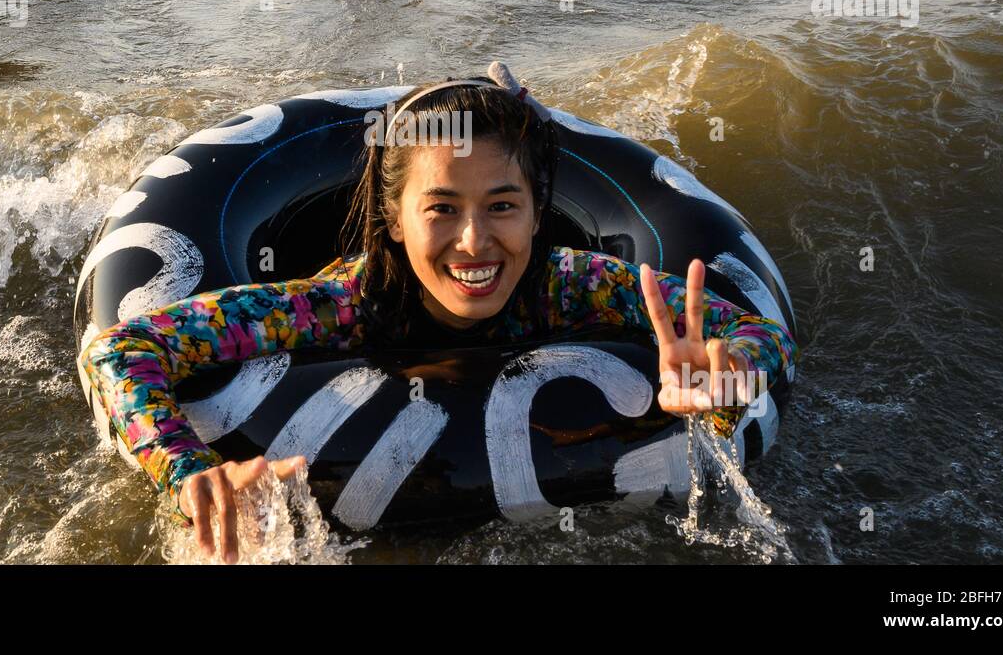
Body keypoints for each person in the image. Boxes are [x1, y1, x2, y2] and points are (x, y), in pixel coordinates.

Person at [80, 62, 799, 563]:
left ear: (539, 210)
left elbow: (759, 335)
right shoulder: (338, 303)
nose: (475, 242)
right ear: (394, 219)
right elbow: (122, 349)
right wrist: (186, 469)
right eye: (442, 209)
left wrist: (726, 376)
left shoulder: (570, 283)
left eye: (503, 207)